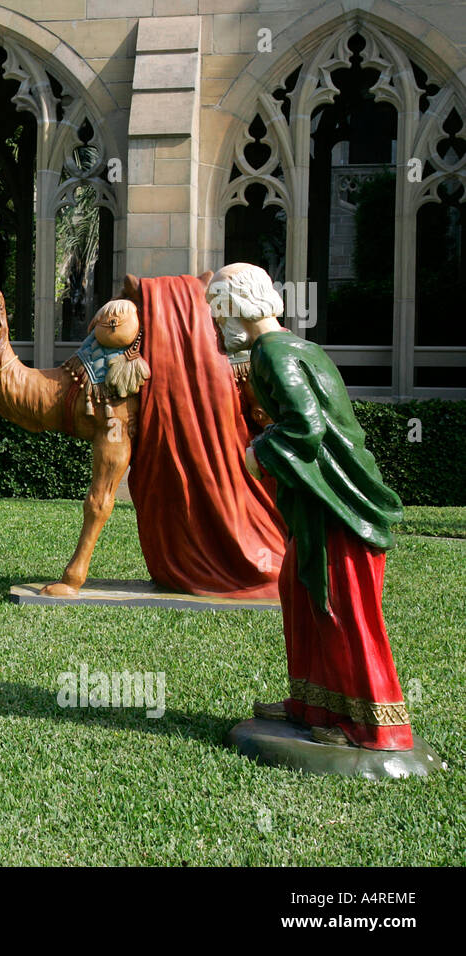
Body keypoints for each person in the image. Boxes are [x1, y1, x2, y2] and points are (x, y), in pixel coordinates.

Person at [205, 264, 411, 750]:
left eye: (218, 312)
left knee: (343, 607)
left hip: (338, 507)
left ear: (236, 307)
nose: (216, 325)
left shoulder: (272, 353)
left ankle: (379, 726)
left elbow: (306, 427)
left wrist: (260, 451)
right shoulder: (296, 346)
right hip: (320, 504)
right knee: (302, 593)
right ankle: (313, 704)